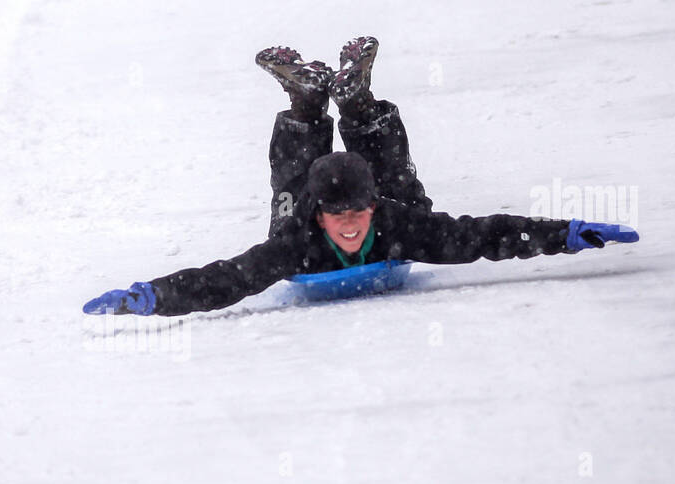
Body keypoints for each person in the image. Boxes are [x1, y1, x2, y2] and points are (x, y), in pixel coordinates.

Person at [83, 37, 639, 317]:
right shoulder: (297, 244)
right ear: (321, 216)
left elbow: (487, 235)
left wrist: (564, 233)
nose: (349, 225)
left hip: (386, 202)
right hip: (303, 210)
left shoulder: (400, 224)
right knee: (295, 187)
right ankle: (330, 103)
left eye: (357, 212)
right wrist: (151, 297)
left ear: (371, 210)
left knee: (401, 189)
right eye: (338, 215)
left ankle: (330, 103)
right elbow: (226, 280)